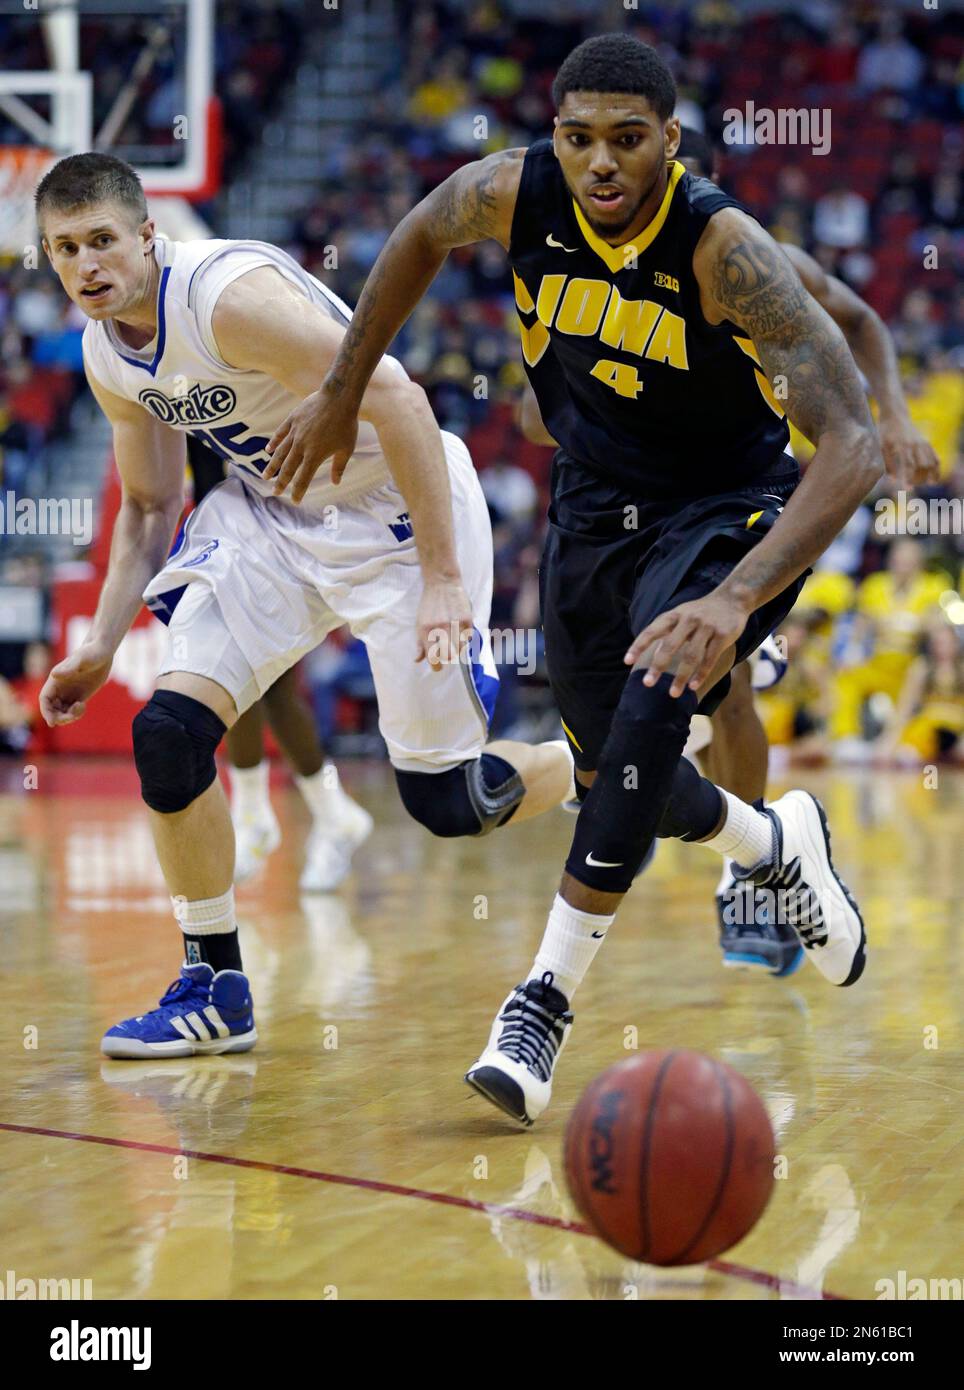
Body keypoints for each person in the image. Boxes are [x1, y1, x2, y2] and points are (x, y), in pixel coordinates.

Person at [264, 35, 883, 1126]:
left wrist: (736, 596)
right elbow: (414, 234)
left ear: (670, 142)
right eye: (578, 136)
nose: (600, 162)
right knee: (614, 777)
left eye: (628, 141)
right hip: (592, 509)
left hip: (718, 509)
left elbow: (852, 445)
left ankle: (539, 999)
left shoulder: (719, 246)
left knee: (653, 717)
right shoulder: (512, 191)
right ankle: (777, 841)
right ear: (553, 134)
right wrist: (339, 389)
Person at [36, 152, 574, 1060]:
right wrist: (98, 644)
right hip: (270, 513)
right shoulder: (105, 353)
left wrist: (444, 578)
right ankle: (217, 985)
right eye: (65, 249)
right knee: (167, 735)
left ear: (147, 237)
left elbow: (401, 399)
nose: (88, 265)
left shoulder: (224, 301)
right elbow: (152, 506)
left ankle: (592, 762)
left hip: (396, 513)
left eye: (102, 241)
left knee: (452, 802)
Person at [518, 125, 939, 976]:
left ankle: (749, 866)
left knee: (725, 684)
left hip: (729, 496)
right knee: (662, 703)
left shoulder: (747, 257)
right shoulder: (571, 270)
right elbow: (535, 404)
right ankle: (718, 827)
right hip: (619, 502)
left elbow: (857, 319)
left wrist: (890, 412)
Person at [186, 434, 372, 890]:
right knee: (256, 682)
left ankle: (260, 815)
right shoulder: (180, 389)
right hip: (226, 530)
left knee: (254, 678)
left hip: (286, 530)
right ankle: (320, 814)